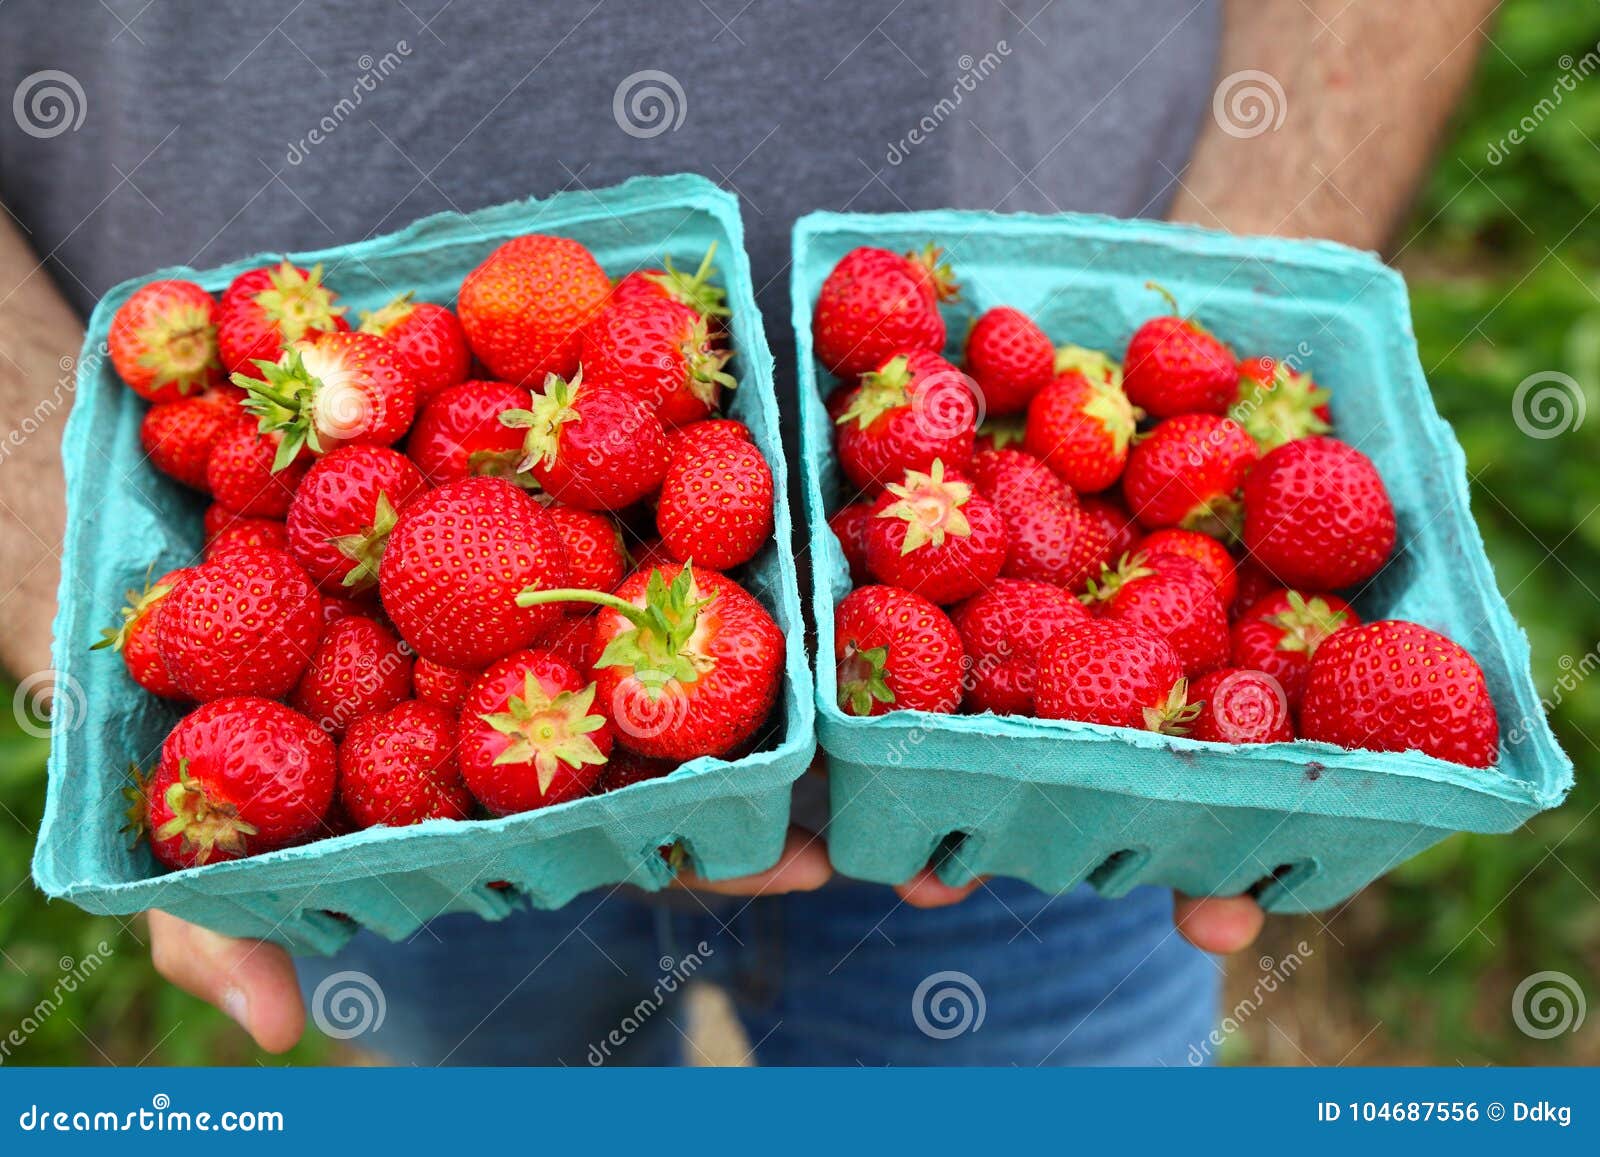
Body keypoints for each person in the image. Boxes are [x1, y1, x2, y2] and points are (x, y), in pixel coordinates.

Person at [0, 0, 1495, 1065]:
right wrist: (60, 544)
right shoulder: (361, 570)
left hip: (1042, 798)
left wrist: (1227, 309)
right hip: (399, 836)